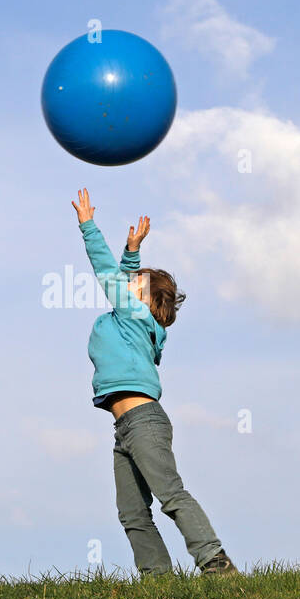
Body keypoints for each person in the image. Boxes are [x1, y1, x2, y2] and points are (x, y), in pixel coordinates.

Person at [71, 188, 236, 576]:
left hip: (144, 421)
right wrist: (133, 252)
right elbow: (123, 281)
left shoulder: (133, 316)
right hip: (125, 427)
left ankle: (215, 561)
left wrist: (88, 227)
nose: (127, 283)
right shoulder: (134, 319)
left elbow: (108, 274)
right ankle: (159, 580)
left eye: (134, 282)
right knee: (131, 512)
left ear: (141, 298)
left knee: (170, 495)